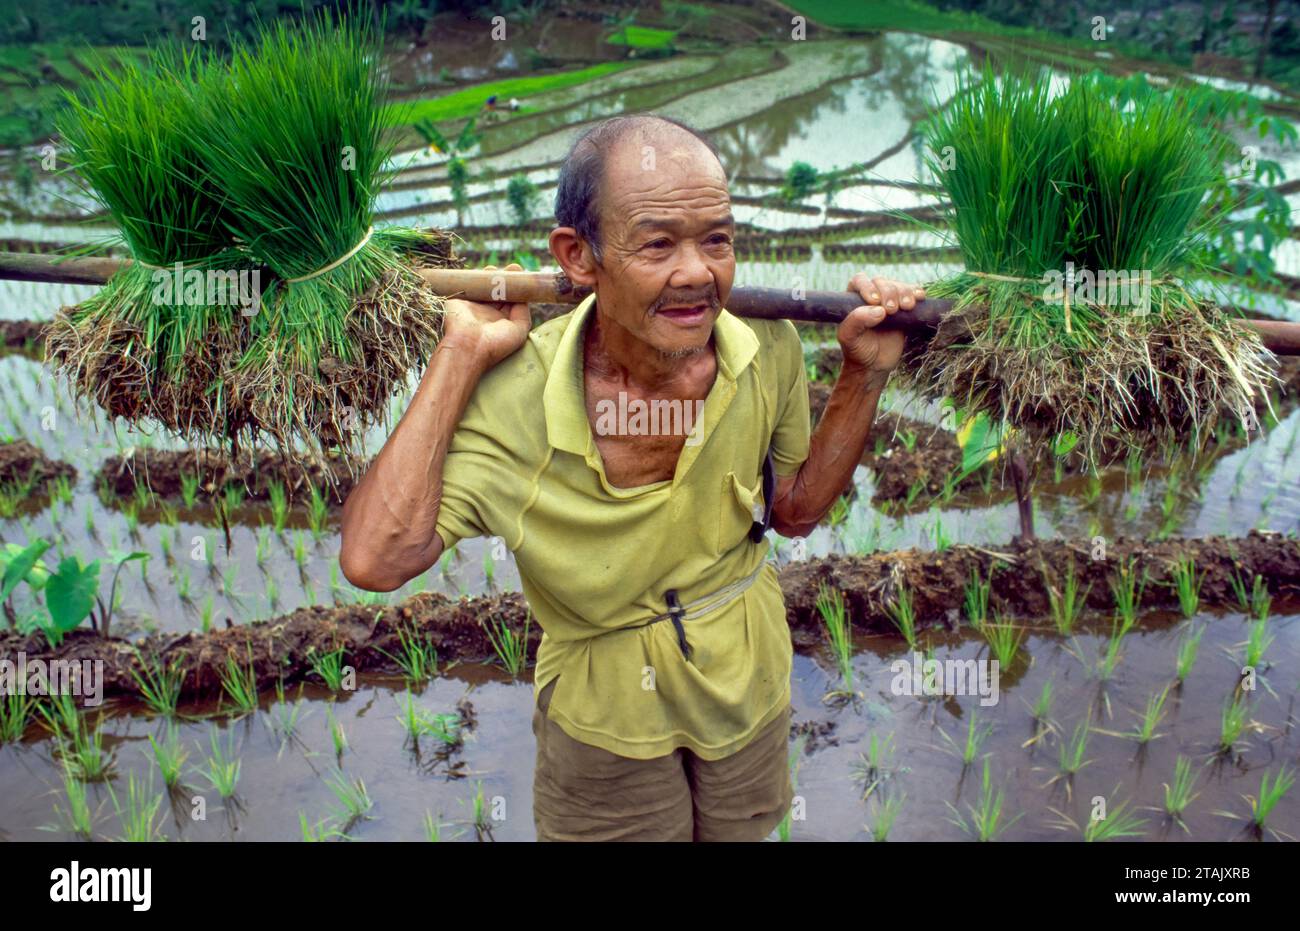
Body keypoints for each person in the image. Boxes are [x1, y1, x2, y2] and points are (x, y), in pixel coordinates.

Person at [339, 113, 925, 841]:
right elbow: (375, 556)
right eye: (657, 243)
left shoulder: (763, 347)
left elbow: (796, 510)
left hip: (746, 682)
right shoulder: (512, 395)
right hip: (603, 715)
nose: (696, 272)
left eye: (716, 239)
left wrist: (864, 373)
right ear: (577, 256)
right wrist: (459, 351)